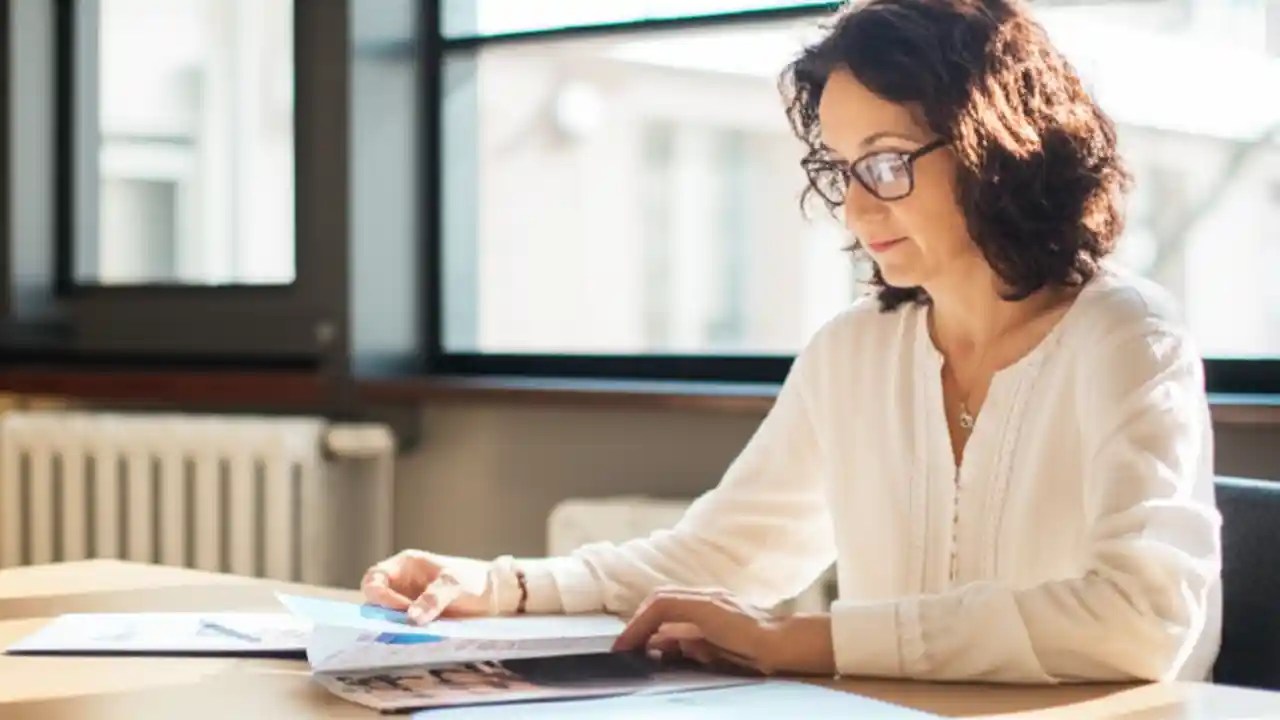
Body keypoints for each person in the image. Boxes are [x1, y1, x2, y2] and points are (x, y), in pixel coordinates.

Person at [363, 0, 1221, 683]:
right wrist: (504, 587)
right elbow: (721, 557)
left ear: (994, 145)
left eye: (886, 161)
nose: (855, 209)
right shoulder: (853, 352)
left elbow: (1139, 624)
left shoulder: (1126, 338)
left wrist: (805, 640)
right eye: (842, 169)